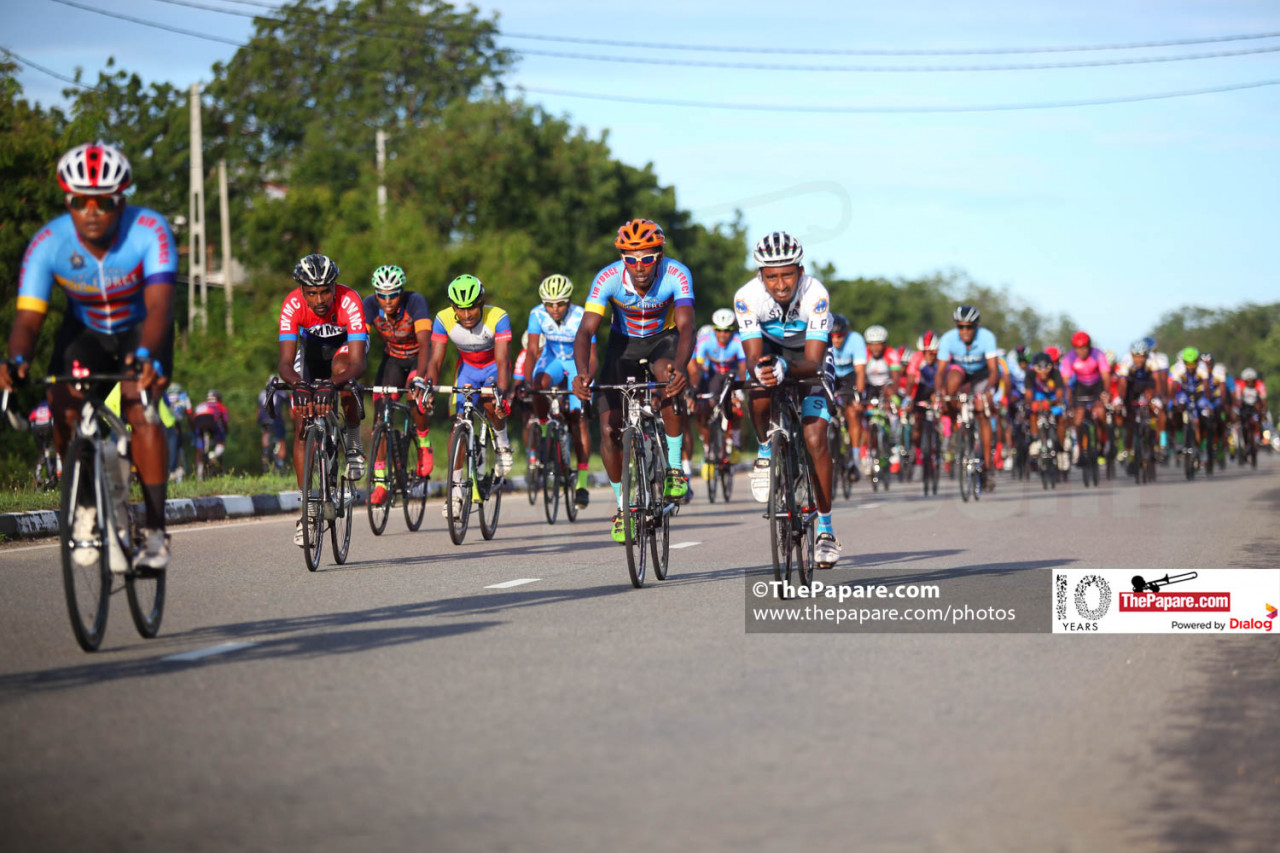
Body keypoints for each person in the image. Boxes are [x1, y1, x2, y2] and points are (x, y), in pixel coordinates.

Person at [2, 142, 176, 570]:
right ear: (68, 201)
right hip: (85, 332)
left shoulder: (149, 229)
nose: (92, 211)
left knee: (142, 408)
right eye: (81, 201)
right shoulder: (48, 242)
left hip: (141, 328)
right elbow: (27, 321)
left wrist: (144, 355)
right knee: (61, 406)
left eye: (104, 201)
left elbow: (160, 307)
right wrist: (17, 361)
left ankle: (155, 530)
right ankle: (84, 506)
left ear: (121, 200)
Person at [573, 219, 696, 543]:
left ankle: (672, 468)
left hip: (663, 341)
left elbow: (686, 328)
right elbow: (585, 331)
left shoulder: (677, 273)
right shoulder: (608, 279)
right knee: (610, 427)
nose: (639, 267)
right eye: (631, 259)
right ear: (622, 259)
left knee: (666, 374)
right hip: (622, 345)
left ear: (659, 255)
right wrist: (582, 371)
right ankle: (621, 508)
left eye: (646, 258)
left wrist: (681, 368)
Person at [733, 231, 841, 567]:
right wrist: (766, 368)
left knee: (814, 437)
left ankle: (825, 530)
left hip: (808, 355)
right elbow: (752, 357)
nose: (781, 284)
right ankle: (766, 449)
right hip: (769, 349)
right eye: (772, 276)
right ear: (760, 276)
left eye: (788, 274)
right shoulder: (747, 297)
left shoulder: (816, 294)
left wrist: (786, 367)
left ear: (800, 270)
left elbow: (813, 360)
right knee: (760, 389)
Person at [277, 253, 368, 546]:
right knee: (302, 419)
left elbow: (357, 365)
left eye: (326, 291)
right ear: (301, 290)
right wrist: (300, 386)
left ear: (335, 287)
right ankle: (309, 510)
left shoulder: (349, 301)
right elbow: (285, 363)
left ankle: (353, 441)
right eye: (312, 292)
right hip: (312, 350)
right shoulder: (292, 305)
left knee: (344, 376)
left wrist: (332, 383)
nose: (319, 299)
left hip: (345, 350)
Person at [419, 275, 515, 519]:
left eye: (472, 306)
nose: (467, 314)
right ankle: (455, 492)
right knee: (458, 423)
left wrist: (501, 394)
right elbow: (436, 361)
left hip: (494, 366)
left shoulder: (498, 317)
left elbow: (503, 360)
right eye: (460, 309)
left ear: (481, 303)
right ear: (453, 307)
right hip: (468, 370)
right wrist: (428, 386)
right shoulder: (442, 319)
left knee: (492, 405)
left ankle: (502, 443)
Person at [362, 264, 433, 506]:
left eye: (393, 294)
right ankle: (381, 482)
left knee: (416, 398)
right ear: (376, 294)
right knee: (380, 416)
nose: (388, 300)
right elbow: (360, 342)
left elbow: (426, 345)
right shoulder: (369, 305)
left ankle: (423, 443)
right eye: (382, 294)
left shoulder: (415, 302)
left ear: (401, 292)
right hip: (392, 359)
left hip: (417, 357)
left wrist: (420, 379)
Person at [526, 274, 597, 507]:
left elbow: (593, 356)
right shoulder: (537, 314)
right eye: (549, 304)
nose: (554, 309)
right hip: (554, 359)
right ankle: (545, 426)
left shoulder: (581, 316)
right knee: (537, 385)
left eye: (560, 304)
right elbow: (532, 351)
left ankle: (582, 483)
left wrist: (586, 379)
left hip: (578, 363)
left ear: (569, 301)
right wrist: (528, 383)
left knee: (579, 421)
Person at [936, 305, 1000, 490]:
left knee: (982, 413)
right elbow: (940, 371)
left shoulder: (987, 338)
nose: (965, 331)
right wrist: (939, 391)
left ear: (976, 326)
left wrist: (988, 391)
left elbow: (994, 370)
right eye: (961, 327)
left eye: (969, 327)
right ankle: (956, 424)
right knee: (952, 379)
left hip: (982, 375)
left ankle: (987, 467)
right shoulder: (948, 339)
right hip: (960, 374)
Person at [692, 308, 747, 480]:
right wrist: (697, 388)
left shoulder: (739, 341)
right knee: (703, 408)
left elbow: (743, 369)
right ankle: (708, 454)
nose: (723, 334)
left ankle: (735, 445)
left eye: (727, 331)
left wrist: (740, 391)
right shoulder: (705, 340)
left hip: (732, 375)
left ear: (732, 331)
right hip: (713, 376)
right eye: (719, 330)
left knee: (736, 408)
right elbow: (698, 366)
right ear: (714, 329)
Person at [1060, 331, 1111, 474]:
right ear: (1074, 348)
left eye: (1084, 348)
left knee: (1101, 413)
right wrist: (1068, 403)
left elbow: (1106, 376)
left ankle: (1103, 442)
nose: (1081, 351)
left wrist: (1106, 393)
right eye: (1078, 348)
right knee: (1077, 419)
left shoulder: (1098, 355)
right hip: (1080, 390)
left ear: (1089, 347)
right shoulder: (1069, 358)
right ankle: (1081, 450)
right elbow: (1066, 383)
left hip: (1096, 388)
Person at [828, 314, 866, 482]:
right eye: (833, 337)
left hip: (850, 376)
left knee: (852, 413)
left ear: (846, 333)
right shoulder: (824, 339)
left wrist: (859, 394)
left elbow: (860, 371)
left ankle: (856, 457)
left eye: (840, 336)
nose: (836, 341)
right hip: (832, 375)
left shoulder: (856, 340)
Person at [191, 390, 229, 476]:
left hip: (198, 423)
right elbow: (224, 421)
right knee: (221, 442)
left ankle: (199, 475)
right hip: (211, 421)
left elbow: (194, 418)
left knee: (199, 449)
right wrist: (226, 431)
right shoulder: (219, 405)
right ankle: (213, 456)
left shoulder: (201, 404)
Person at [257, 377, 289, 473]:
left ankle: (265, 451)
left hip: (263, 419)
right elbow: (291, 411)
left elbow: (258, 411)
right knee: (281, 440)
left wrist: (259, 422)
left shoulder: (262, 393)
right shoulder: (283, 393)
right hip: (275, 418)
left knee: (266, 432)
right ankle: (280, 464)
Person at [165, 381, 193, 480]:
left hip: (161, 423)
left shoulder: (163, 395)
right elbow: (189, 413)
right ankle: (176, 474)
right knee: (178, 448)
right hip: (174, 423)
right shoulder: (184, 397)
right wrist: (191, 426)